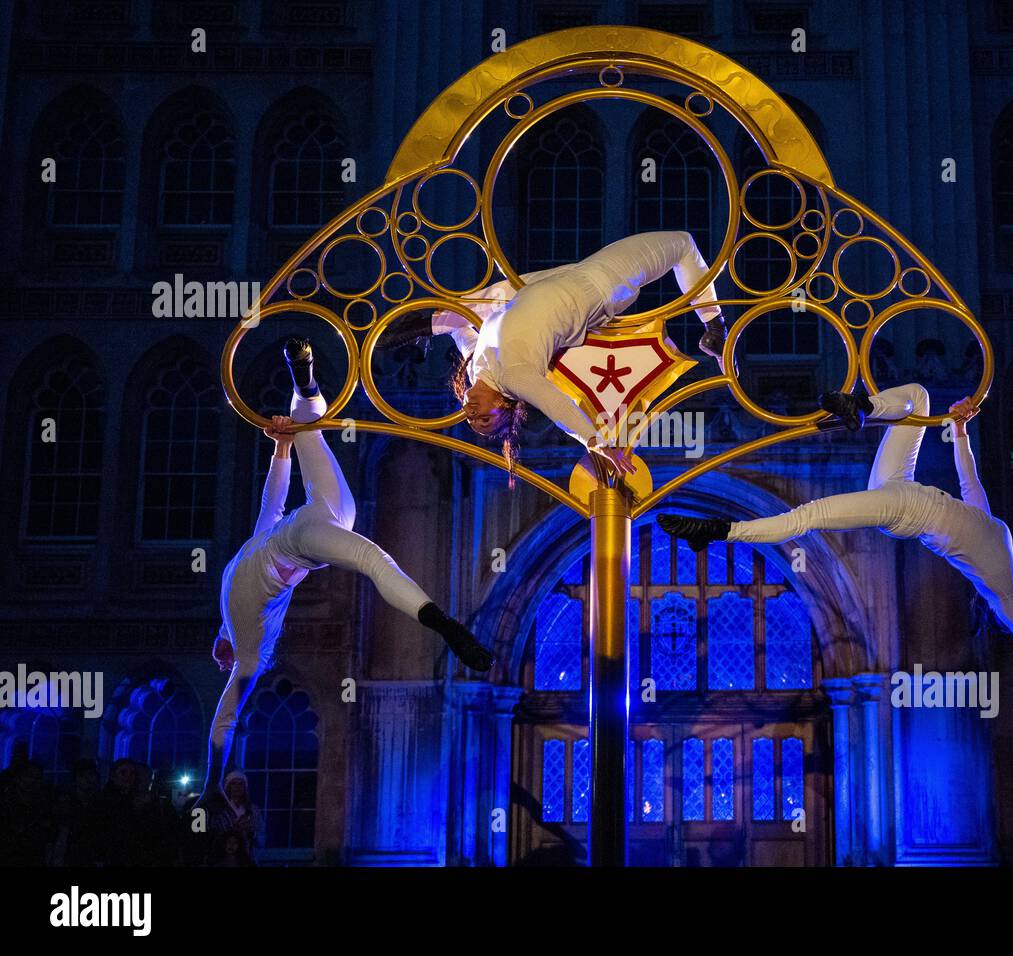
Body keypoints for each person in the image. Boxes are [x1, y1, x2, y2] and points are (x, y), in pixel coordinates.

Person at [657, 383, 1013, 764]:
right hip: (898, 484)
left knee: (809, 517)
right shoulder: (1000, 539)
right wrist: (961, 433)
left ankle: (720, 531)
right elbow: (970, 487)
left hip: (904, 511)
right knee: (919, 399)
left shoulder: (1005, 600)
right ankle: (861, 408)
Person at [200, 339, 494, 805]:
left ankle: (305, 377)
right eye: (221, 661)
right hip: (304, 543)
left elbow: (269, 507)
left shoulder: (226, 603)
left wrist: (281, 449)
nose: (218, 658)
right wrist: (211, 782)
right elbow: (224, 721)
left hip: (325, 512)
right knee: (373, 561)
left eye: (218, 655)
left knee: (308, 431)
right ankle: (446, 625)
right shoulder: (251, 654)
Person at [378, 231, 727, 481]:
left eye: (471, 422)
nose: (471, 416)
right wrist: (596, 442)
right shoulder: (516, 377)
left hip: (552, 280)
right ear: (504, 404)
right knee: (682, 244)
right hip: (599, 284)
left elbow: (462, 326)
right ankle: (715, 328)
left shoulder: (478, 368)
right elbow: (559, 407)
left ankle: (417, 325)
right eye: (484, 420)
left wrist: (425, 329)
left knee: (482, 305)